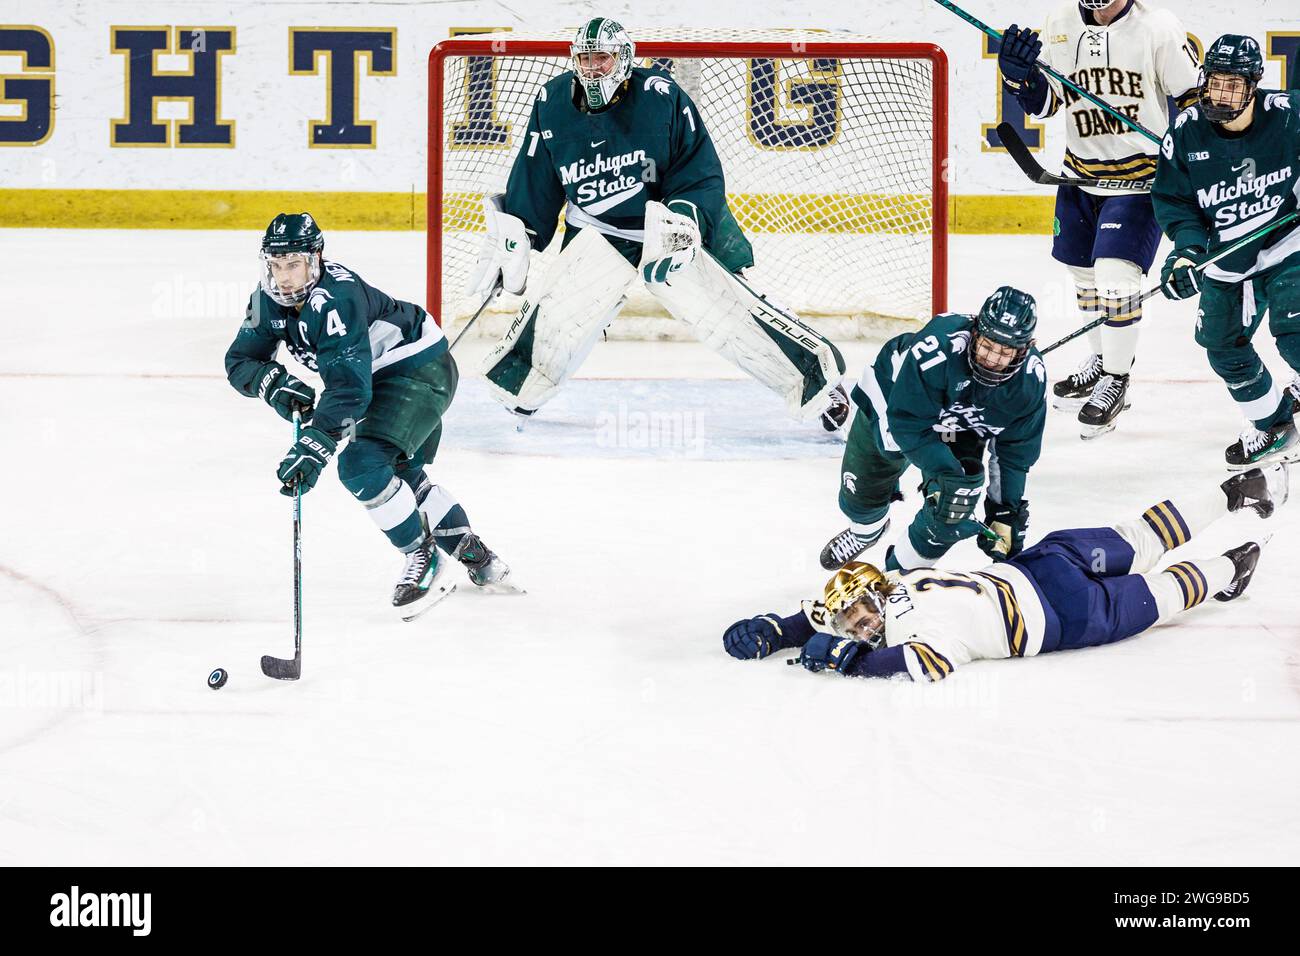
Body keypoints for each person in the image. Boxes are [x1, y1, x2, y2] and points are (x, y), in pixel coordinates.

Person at [467, 17, 849, 430]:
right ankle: (522, 388)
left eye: (602, 58)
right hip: (596, 228)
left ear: (624, 59)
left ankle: (819, 386)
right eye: (585, 58)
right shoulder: (552, 100)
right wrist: (520, 231)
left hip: (666, 227)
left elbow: (698, 168)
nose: (592, 68)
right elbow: (535, 174)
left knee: (725, 313)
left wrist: (683, 218)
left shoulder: (662, 96)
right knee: (561, 314)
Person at [726, 466, 1287, 682]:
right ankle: (1234, 490)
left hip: (1066, 617)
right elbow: (827, 609)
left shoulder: (904, 634)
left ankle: (1231, 568)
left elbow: (926, 665)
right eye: (855, 620)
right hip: (1046, 564)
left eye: (861, 612)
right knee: (1140, 538)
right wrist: (783, 628)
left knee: (1159, 593)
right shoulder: (897, 583)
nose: (862, 620)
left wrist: (854, 662)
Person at [224, 213, 515, 619]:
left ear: (316, 258)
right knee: (397, 477)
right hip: (384, 376)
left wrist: (317, 442)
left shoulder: (334, 300)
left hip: (416, 368)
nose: (284, 277)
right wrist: (271, 382)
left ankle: (423, 558)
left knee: (361, 465)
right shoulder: (265, 300)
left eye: (293, 264)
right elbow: (240, 359)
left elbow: (349, 390)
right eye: (275, 265)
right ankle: (475, 554)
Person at [998, 0, 1200, 438]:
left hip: (1140, 180)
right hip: (1079, 176)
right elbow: (1047, 104)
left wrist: (1189, 159)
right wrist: (1020, 78)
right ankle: (1102, 360)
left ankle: (1116, 378)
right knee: (1084, 278)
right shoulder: (1059, 22)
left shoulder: (1158, 27)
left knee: (1116, 279)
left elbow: (1192, 99)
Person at [818, 287, 1045, 573]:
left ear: (1024, 349)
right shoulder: (937, 349)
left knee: (954, 503)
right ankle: (866, 531)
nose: (992, 359)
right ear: (975, 331)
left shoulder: (1030, 383)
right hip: (893, 403)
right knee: (862, 497)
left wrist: (1005, 509)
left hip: (958, 424)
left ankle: (900, 577)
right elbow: (907, 426)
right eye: (987, 346)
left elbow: (1014, 454)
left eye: (1005, 351)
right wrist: (946, 472)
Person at [1153, 34, 1300, 469]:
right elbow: (1175, 202)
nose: (1222, 94)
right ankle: (1272, 423)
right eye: (1216, 82)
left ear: (1253, 85)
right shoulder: (1184, 131)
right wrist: (1184, 254)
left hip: (1288, 243)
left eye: (1234, 85)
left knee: (1294, 334)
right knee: (1220, 343)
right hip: (1227, 258)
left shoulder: (1289, 115)